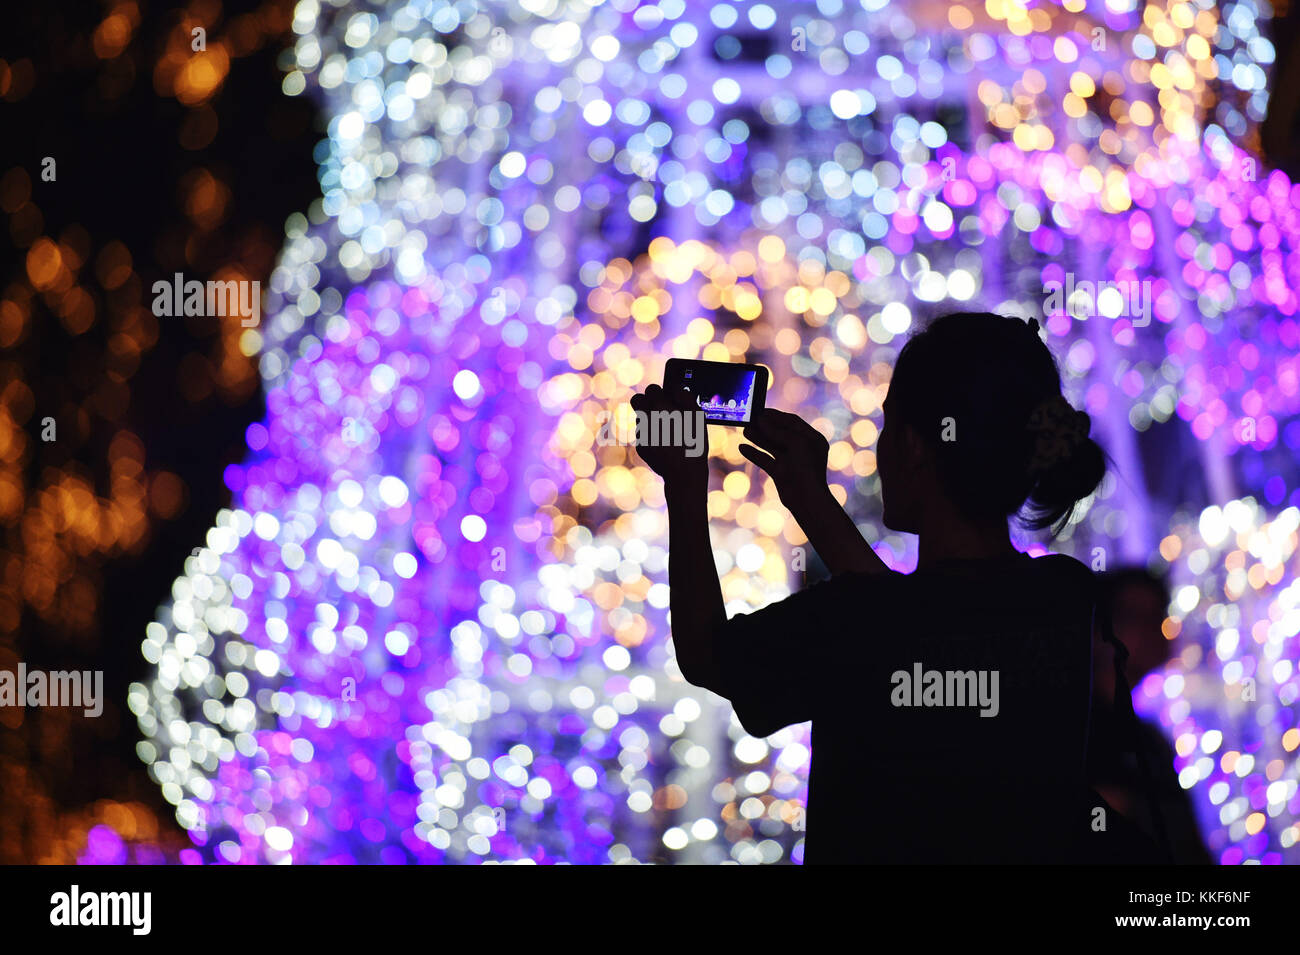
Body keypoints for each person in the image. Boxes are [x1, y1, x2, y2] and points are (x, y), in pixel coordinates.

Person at [633, 310, 1150, 863]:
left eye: (887, 423)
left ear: (915, 445)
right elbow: (912, 626)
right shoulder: (1065, 599)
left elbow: (709, 655)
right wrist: (810, 499)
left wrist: (686, 485)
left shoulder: (853, 621)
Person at [1088, 568, 1213, 864]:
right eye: (1134, 617)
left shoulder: (1146, 738)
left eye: (1157, 615)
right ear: (1098, 630)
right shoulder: (1084, 734)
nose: (1153, 630)